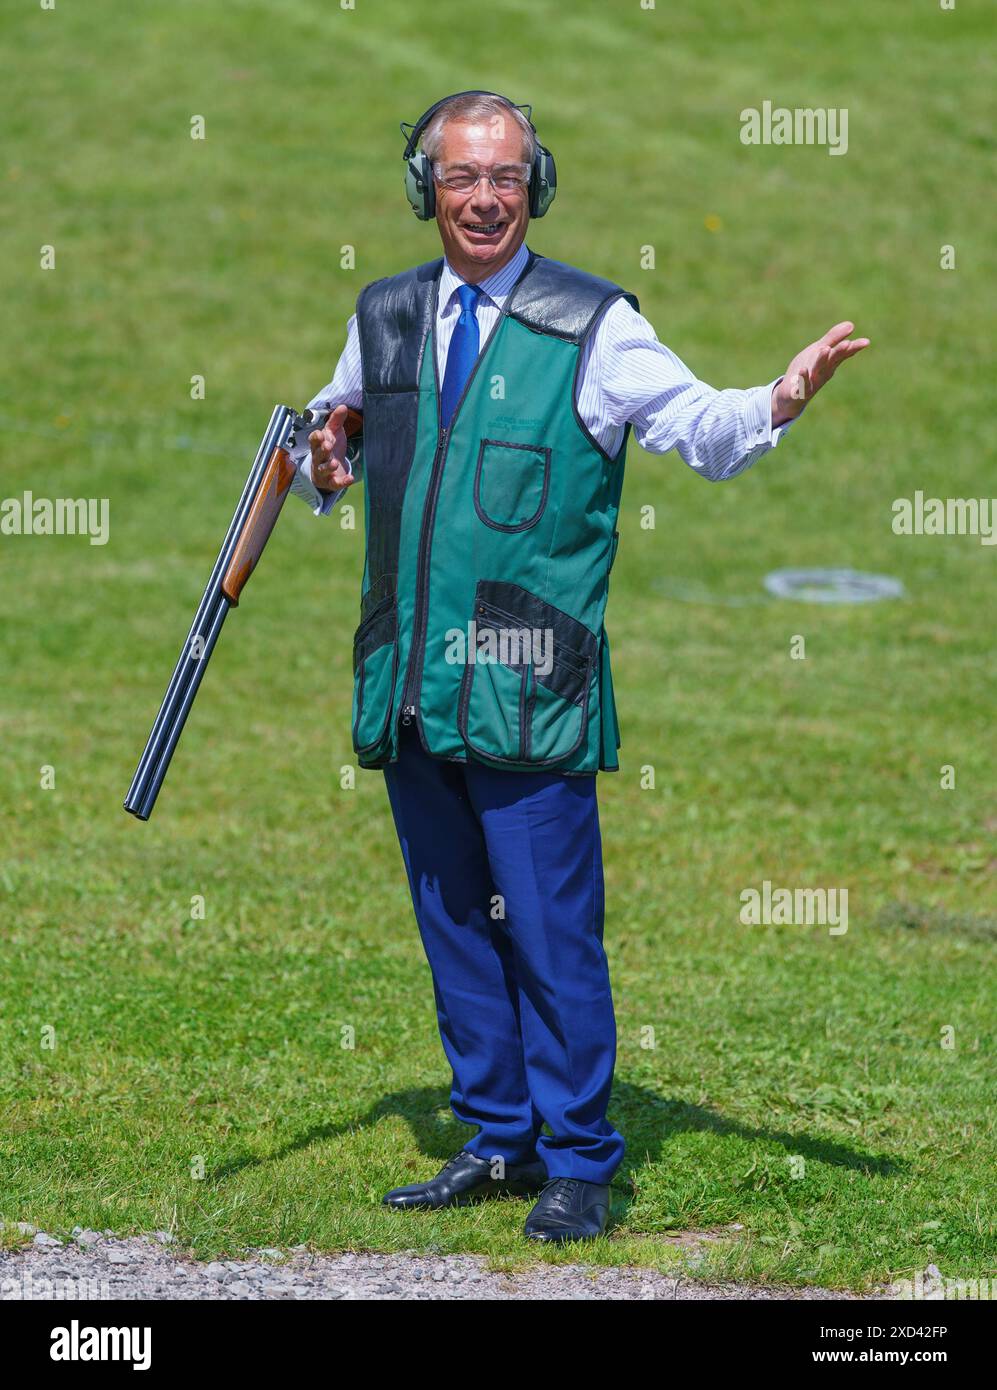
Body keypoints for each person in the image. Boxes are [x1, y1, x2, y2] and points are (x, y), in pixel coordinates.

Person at [288, 90, 869, 1242]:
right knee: (454, 918)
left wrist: (780, 398)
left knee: (549, 931)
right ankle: (496, 1133)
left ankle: (580, 1160)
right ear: (426, 190)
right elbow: (329, 432)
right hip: (409, 676)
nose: (485, 198)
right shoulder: (387, 314)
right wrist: (324, 453)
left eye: (506, 177)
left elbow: (699, 430)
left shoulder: (593, 322)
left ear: (535, 185)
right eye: (462, 178)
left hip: (527, 681)